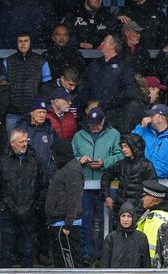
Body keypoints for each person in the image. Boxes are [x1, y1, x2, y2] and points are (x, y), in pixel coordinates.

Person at [0, 128, 48, 268]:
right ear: (12, 143)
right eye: (21, 141)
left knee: (28, 251)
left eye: (26, 141)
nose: (24, 144)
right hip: (8, 213)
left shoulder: (36, 162)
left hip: (30, 213)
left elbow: (44, 186)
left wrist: (36, 207)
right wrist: (2, 208)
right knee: (6, 251)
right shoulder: (1, 162)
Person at [71, 106, 122, 265]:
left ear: (103, 121)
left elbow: (120, 155)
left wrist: (104, 162)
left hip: (106, 184)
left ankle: (103, 254)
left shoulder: (114, 134)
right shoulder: (79, 136)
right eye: (91, 124)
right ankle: (87, 254)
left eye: (97, 124)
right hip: (84, 185)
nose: (93, 127)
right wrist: (80, 159)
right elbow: (71, 156)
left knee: (105, 221)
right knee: (85, 221)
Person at [46, 137, 84, 269]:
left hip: (65, 224)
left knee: (69, 263)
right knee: (62, 263)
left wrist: (68, 224)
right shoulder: (67, 167)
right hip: (59, 222)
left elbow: (74, 198)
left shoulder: (71, 169)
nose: (53, 157)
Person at [3, 32, 52, 132]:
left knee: (32, 144)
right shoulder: (7, 61)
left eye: (26, 41)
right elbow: (3, 87)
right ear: (16, 43)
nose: (23, 44)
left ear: (31, 43)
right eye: (20, 41)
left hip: (33, 111)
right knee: (12, 143)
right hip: (12, 112)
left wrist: (38, 106)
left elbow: (45, 88)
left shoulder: (41, 61)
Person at [101, 133, 157, 213]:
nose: (123, 150)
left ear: (135, 147)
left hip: (139, 210)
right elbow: (106, 177)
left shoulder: (146, 165)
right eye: (122, 147)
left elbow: (153, 188)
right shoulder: (120, 164)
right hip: (121, 209)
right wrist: (106, 197)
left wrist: (143, 205)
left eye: (127, 147)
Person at [132, 103, 168, 179]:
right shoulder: (144, 129)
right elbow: (130, 143)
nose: (149, 118)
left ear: (161, 117)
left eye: (152, 115)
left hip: (163, 181)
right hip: (141, 178)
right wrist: (141, 126)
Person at [100, 201, 150, 269]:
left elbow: (146, 265)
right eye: (123, 216)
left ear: (133, 218)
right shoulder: (111, 238)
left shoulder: (141, 238)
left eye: (129, 216)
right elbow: (105, 265)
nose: (125, 219)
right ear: (119, 217)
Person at [135, 179, 168, 262]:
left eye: (144, 196)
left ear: (151, 198)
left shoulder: (152, 219)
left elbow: (149, 248)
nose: (142, 199)